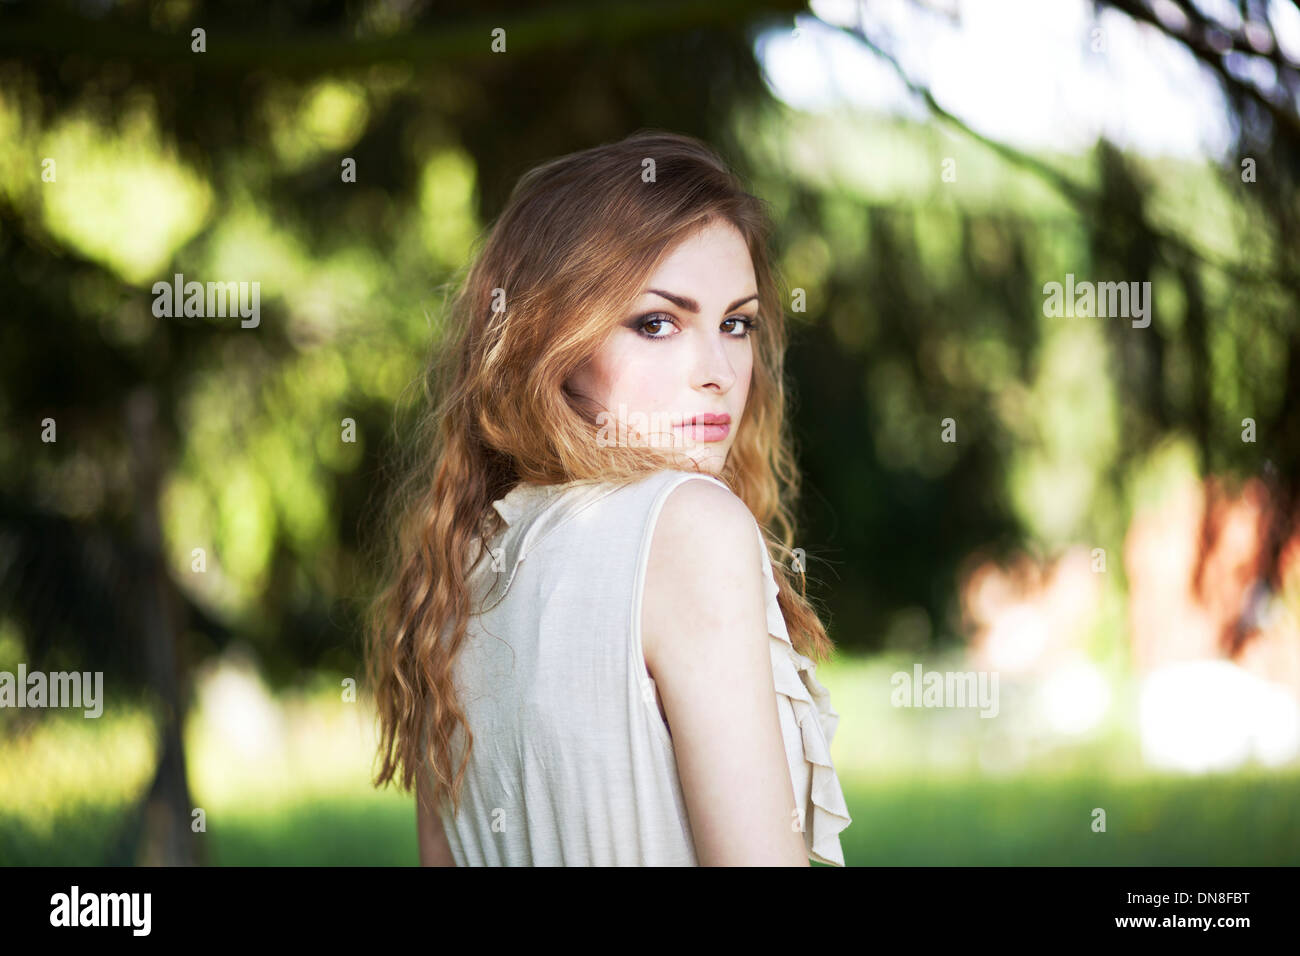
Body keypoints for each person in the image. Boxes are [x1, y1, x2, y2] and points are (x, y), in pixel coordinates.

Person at [365, 129, 851, 866]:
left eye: (736, 323)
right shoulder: (689, 529)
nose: (718, 369)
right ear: (549, 343)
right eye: (657, 322)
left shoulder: (458, 563)